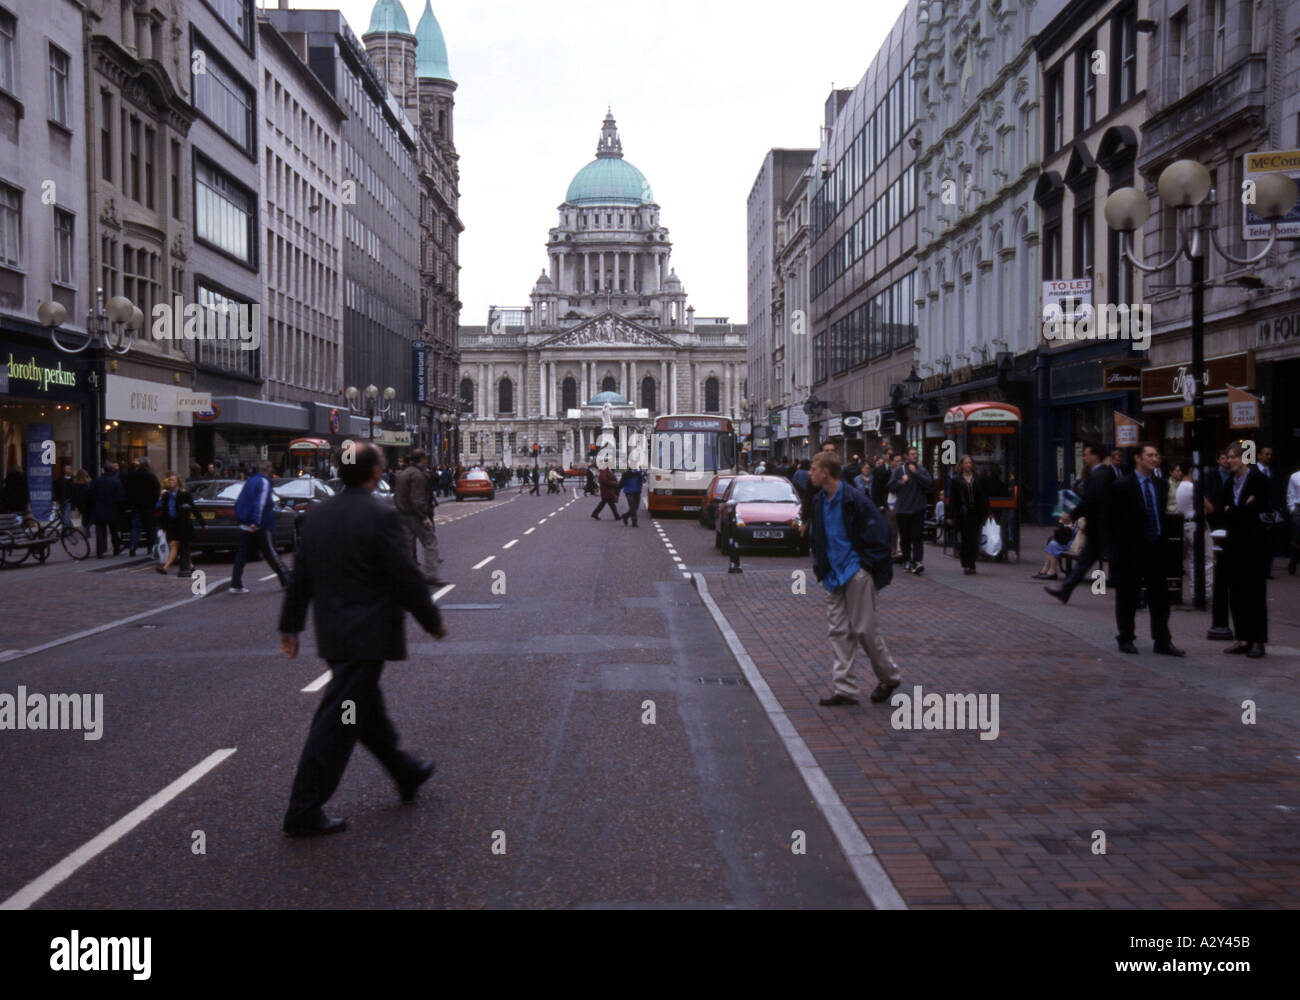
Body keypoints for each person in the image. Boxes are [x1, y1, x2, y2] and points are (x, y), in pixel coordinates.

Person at [277, 442, 447, 838]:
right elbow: (404, 576)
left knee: (364, 711)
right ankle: (303, 808)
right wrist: (431, 619)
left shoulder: (317, 516)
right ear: (373, 473)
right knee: (338, 721)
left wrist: (291, 627)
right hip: (368, 636)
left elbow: (301, 577)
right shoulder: (379, 515)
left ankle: (405, 772)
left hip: (334, 634)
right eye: (382, 466)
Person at [806, 451, 901, 707]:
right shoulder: (819, 501)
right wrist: (821, 566)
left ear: (826, 471)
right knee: (838, 631)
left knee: (864, 629)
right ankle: (845, 688)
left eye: (814, 468)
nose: (810, 473)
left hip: (855, 571)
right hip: (833, 574)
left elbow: (881, 532)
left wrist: (866, 566)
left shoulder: (854, 499)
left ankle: (889, 676)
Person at [1109, 442, 1185, 657]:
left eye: (1157, 455)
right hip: (1131, 549)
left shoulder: (1161, 485)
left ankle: (1162, 640)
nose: (1155, 459)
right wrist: (1117, 551)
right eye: (1150, 455)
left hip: (1156, 547)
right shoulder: (1122, 486)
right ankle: (1126, 637)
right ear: (1137, 458)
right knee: (1128, 596)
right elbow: (1112, 522)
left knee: (1160, 597)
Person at [1214, 443, 1270, 657]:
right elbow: (1223, 510)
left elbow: (1257, 511)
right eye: (1228, 457)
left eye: (1234, 457)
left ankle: (1258, 640)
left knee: (1254, 593)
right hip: (1233, 545)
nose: (1230, 461)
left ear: (1245, 458)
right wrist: (1238, 510)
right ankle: (1242, 637)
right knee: (1236, 592)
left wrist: (1235, 511)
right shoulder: (1229, 483)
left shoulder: (1258, 480)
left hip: (1254, 546)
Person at [1045, 443, 1116, 604]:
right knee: (1084, 561)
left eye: (1086, 454)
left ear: (1095, 456)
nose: (1084, 458)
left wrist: (1072, 515)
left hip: (1104, 528)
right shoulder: (1098, 474)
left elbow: (1091, 501)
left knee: (1118, 563)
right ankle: (1065, 590)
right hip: (1098, 528)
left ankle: (1139, 596)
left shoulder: (1101, 475)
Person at [229, 460, 289, 594]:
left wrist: (243, 519)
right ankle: (287, 581)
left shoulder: (250, 481)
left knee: (242, 554)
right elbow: (260, 503)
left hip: (246, 523)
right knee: (271, 553)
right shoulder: (264, 482)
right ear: (268, 470)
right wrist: (255, 522)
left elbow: (240, 501)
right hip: (259, 525)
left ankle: (235, 584)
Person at [394, 449, 446, 587]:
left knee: (408, 546)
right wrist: (423, 517)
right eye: (426, 459)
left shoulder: (403, 474)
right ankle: (431, 575)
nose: (427, 462)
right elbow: (417, 499)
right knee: (430, 542)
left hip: (403, 515)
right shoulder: (417, 475)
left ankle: (407, 576)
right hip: (415, 516)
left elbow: (397, 496)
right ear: (422, 459)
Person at [889, 446, 932, 574]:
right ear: (906, 456)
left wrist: (916, 473)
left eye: (916, 454)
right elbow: (890, 486)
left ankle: (917, 561)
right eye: (912, 454)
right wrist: (901, 482)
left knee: (917, 536)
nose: (915, 456)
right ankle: (907, 559)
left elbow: (928, 483)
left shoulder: (921, 470)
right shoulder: (899, 470)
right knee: (905, 537)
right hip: (903, 509)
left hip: (917, 508)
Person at [156, 472, 205, 576]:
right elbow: (162, 511)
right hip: (171, 524)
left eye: (173, 480)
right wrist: (162, 526)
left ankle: (165, 568)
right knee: (181, 547)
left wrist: (203, 523)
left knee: (174, 545)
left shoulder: (184, 494)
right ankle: (191, 567)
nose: (170, 482)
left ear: (178, 482)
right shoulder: (166, 495)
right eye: (169, 480)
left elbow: (193, 508)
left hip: (182, 524)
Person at [947, 455, 988, 575]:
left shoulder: (978, 479)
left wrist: (988, 511)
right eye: (965, 463)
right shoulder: (956, 480)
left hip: (976, 513)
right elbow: (953, 499)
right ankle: (966, 564)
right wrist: (950, 515)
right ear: (961, 465)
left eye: (970, 463)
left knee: (974, 540)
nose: (968, 465)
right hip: (963, 514)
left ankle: (972, 563)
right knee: (965, 540)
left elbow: (984, 496)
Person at [126, 457, 161, 556]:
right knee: (150, 527)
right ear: (147, 465)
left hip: (136, 506)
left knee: (136, 527)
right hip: (149, 506)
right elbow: (156, 490)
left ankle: (132, 546)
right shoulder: (151, 476)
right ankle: (150, 548)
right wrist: (154, 501)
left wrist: (131, 502)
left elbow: (128, 490)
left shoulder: (132, 475)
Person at [89, 464, 126, 558]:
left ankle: (100, 552)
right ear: (111, 470)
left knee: (100, 532)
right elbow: (120, 497)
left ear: (103, 470)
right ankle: (116, 549)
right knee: (113, 531)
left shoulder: (96, 481)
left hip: (99, 510)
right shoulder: (116, 481)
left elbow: (90, 496)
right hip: (113, 509)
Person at [1287, 463, 1300, 575]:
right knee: (1296, 536)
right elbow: (1290, 493)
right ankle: (1293, 560)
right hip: (1298, 508)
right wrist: (1292, 508)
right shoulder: (1295, 476)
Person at [52, 464, 74, 529]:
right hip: (61, 500)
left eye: (69, 468)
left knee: (66, 516)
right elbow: (56, 489)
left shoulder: (74, 479)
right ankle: (71, 528)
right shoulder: (60, 479)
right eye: (66, 468)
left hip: (69, 501)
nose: (67, 470)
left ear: (71, 470)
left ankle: (65, 531)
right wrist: (55, 499)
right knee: (63, 516)